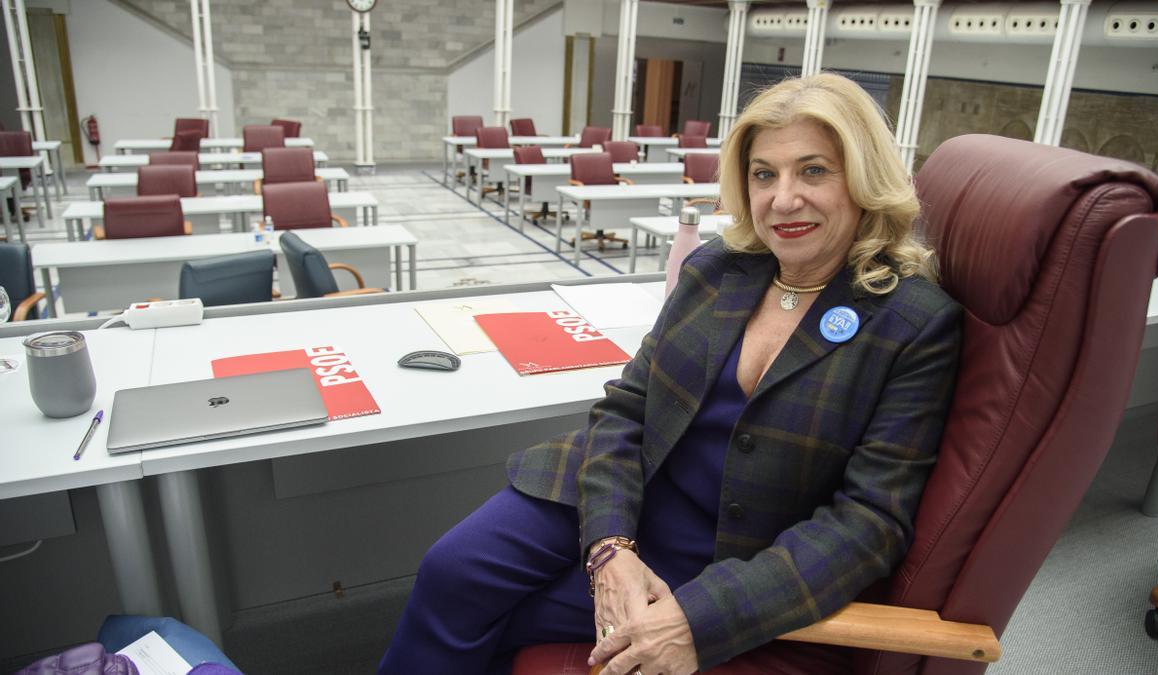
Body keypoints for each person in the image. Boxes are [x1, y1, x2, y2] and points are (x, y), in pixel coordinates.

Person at [378, 73, 963, 675]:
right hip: (620, 487)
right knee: (452, 572)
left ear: (863, 178)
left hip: (730, 545)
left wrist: (701, 617)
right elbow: (626, 408)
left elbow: (869, 521)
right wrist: (610, 546)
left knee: (504, 615)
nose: (783, 199)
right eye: (764, 174)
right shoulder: (717, 269)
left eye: (814, 171)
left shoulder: (913, 323)